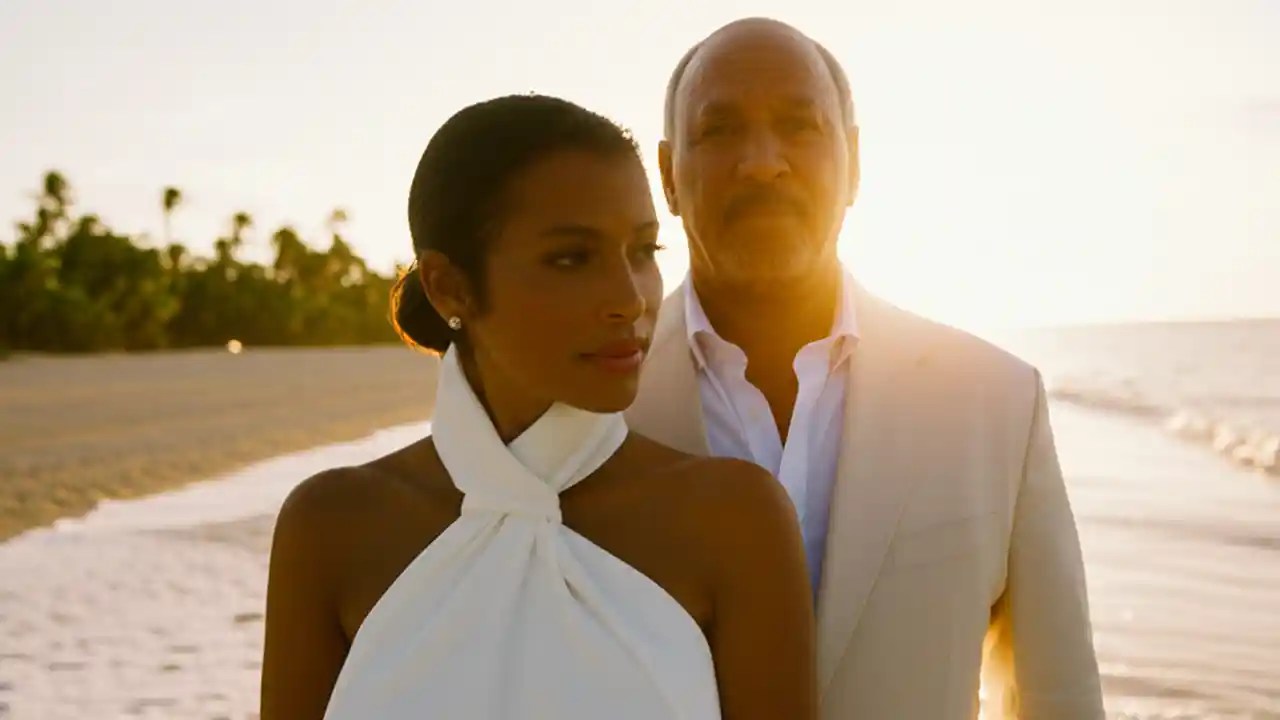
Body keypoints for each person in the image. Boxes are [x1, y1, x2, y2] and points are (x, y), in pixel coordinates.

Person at [259, 94, 817, 720]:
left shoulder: (735, 521)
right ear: (451, 286)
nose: (629, 300)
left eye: (643, 252)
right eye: (572, 259)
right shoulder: (331, 526)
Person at [626, 18, 1106, 719]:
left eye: (800, 126)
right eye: (720, 130)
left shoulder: (994, 402)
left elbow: (1056, 698)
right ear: (668, 176)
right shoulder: (592, 404)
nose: (762, 161)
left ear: (853, 161)